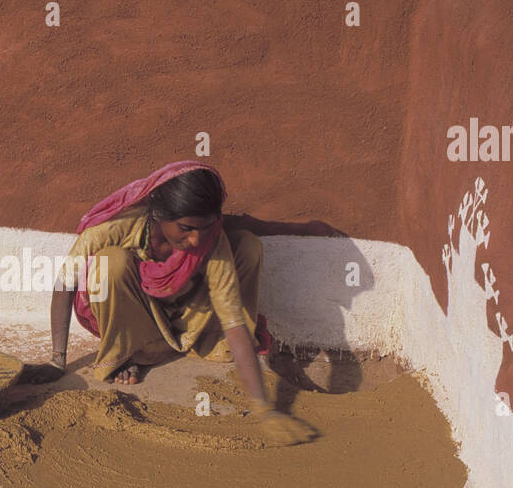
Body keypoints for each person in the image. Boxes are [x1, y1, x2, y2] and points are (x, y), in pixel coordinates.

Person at [28, 159, 314, 445]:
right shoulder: (119, 227)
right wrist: (57, 361)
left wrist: (263, 408)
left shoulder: (211, 241)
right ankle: (132, 351)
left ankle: (188, 345)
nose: (195, 239)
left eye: (206, 227)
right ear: (158, 214)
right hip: (141, 317)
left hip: (191, 319)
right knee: (108, 264)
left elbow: (233, 318)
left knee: (249, 244)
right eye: (186, 228)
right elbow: (65, 283)